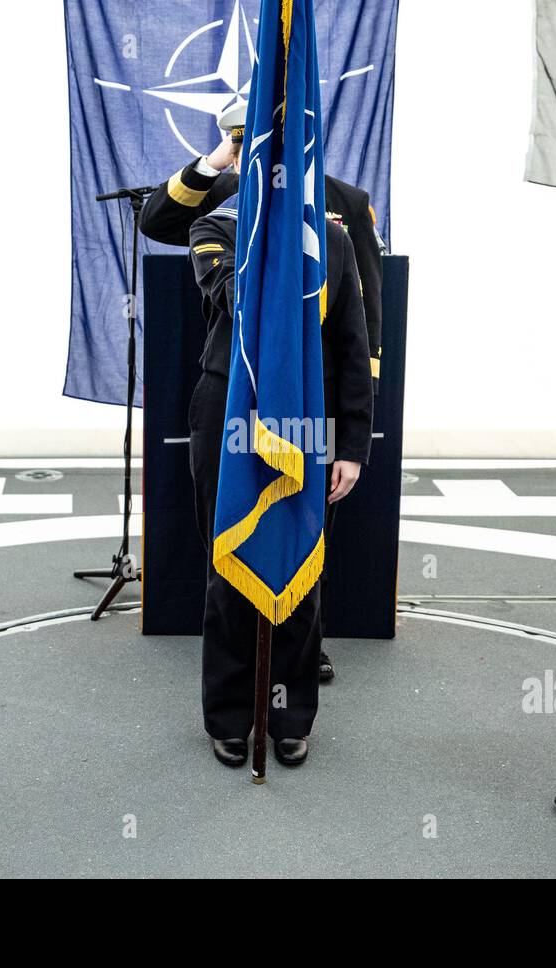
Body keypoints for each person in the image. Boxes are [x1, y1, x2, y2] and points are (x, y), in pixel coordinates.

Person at [144, 102, 384, 683]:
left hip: (308, 401)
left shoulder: (343, 206)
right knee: (230, 534)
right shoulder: (224, 212)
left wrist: (356, 422)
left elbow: (362, 317)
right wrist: (223, 158)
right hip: (233, 399)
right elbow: (158, 222)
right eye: (253, 136)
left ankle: (297, 662)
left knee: (300, 536)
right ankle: (237, 676)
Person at [186, 132, 373, 769]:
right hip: (230, 411)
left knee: (301, 561)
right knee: (229, 565)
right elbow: (224, 298)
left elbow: (351, 345)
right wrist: (271, 243)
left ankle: (290, 713)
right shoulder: (217, 229)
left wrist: (351, 444)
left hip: (309, 417)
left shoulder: (336, 241)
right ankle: (232, 715)